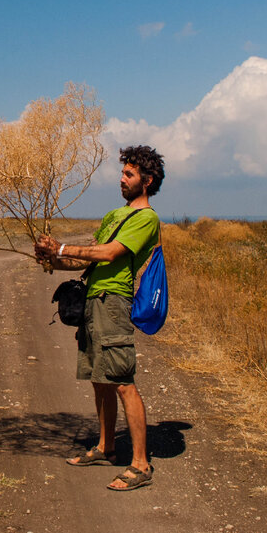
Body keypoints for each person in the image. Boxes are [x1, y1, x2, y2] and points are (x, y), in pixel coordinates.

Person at [34, 145, 164, 491]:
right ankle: (106, 447)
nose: (122, 179)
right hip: (93, 301)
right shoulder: (113, 216)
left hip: (113, 303)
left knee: (122, 380)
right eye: (123, 173)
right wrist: (52, 258)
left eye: (130, 174)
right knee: (100, 379)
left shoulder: (146, 219)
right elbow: (88, 260)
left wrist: (62, 247)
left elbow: (110, 253)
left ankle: (140, 464)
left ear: (147, 181)